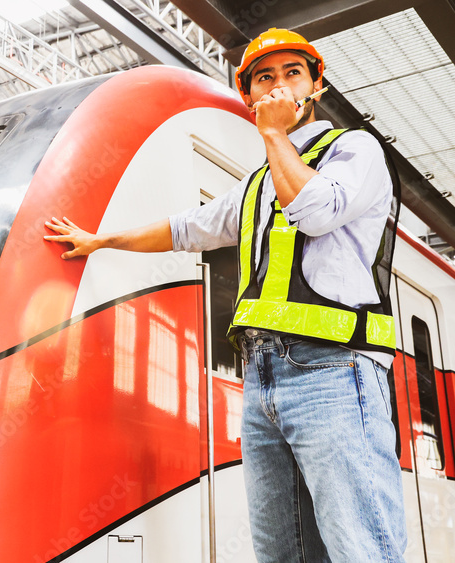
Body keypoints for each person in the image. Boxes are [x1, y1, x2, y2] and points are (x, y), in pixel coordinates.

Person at [44, 28, 406, 562]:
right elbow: (187, 227)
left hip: (336, 370)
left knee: (361, 549)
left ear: (316, 87)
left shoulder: (357, 151)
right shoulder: (258, 184)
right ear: (250, 99)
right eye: (264, 79)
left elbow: (316, 209)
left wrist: (276, 136)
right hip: (261, 384)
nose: (278, 87)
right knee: (281, 553)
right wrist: (102, 240)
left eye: (291, 75)